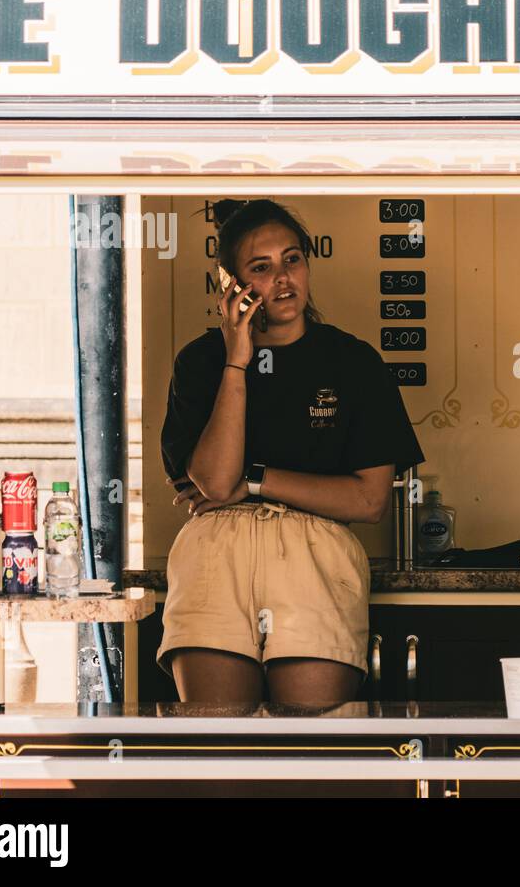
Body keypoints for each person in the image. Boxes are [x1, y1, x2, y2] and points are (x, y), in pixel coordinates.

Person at [156, 198, 424, 706]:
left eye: (292, 259)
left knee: (312, 756)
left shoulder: (352, 361)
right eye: (261, 267)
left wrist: (254, 480)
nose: (282, 279)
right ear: (229, 283)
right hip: (216, 558)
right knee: (222, 757)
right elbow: (214, 483)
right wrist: (237, 359)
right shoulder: (200, 361)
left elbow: (369, 502)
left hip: (315, 557)